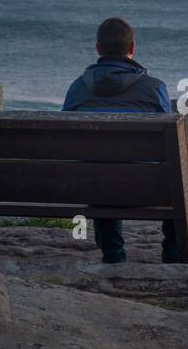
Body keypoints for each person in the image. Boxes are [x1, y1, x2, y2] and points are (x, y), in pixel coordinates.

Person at [62, 17, 179, 263]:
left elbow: (64, 140)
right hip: (148, 189)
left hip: (92, 188)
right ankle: (173, 256)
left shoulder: (77, 89)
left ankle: (114, 255)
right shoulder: (154, 88)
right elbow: (171, 146)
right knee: (180, 174)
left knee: (99, 170)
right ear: (132, 48)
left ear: (98, 48)